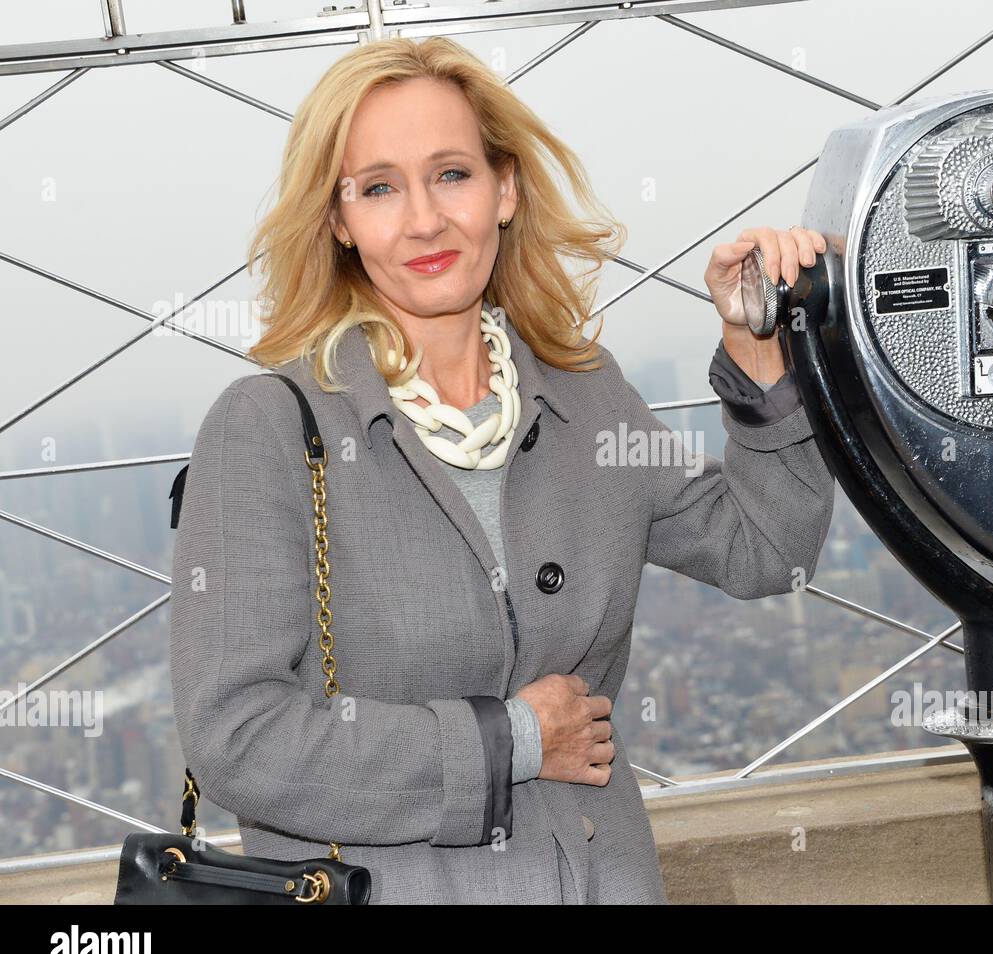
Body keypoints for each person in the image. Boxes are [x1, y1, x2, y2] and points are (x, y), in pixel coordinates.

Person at [169, 34, 835, 904]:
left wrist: (757, 353)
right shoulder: (263, 430)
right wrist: (514, 740)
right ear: (338, 222)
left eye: (452, 174)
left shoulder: (585, 396)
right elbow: (238, 738)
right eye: (378, 188)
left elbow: (764, 547)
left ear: (506, 187)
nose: (423, 220)